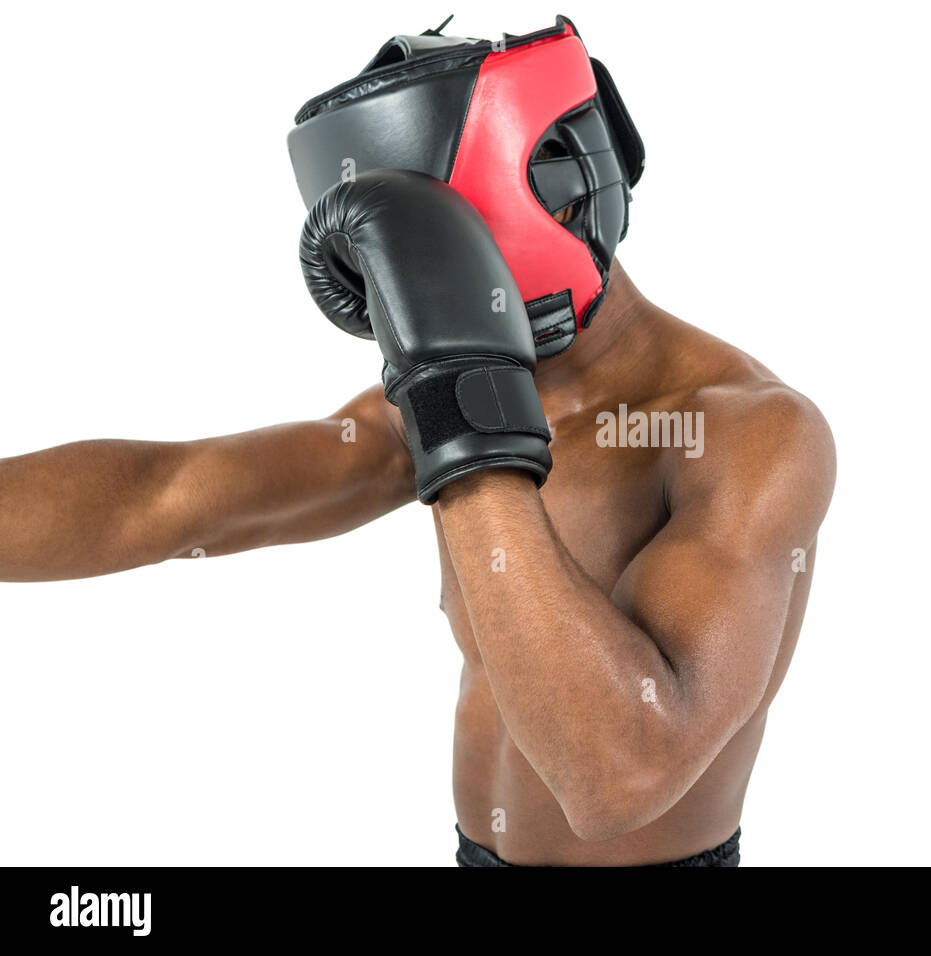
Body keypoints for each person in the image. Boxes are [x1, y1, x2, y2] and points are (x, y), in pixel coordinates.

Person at [0, 17, 834, 867]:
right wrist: (449, 391)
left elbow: (616, 778)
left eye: (426, 237)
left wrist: (456, 404)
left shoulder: (746, 432)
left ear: (565, 187)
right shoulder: (419, 415)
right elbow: (165, 499)